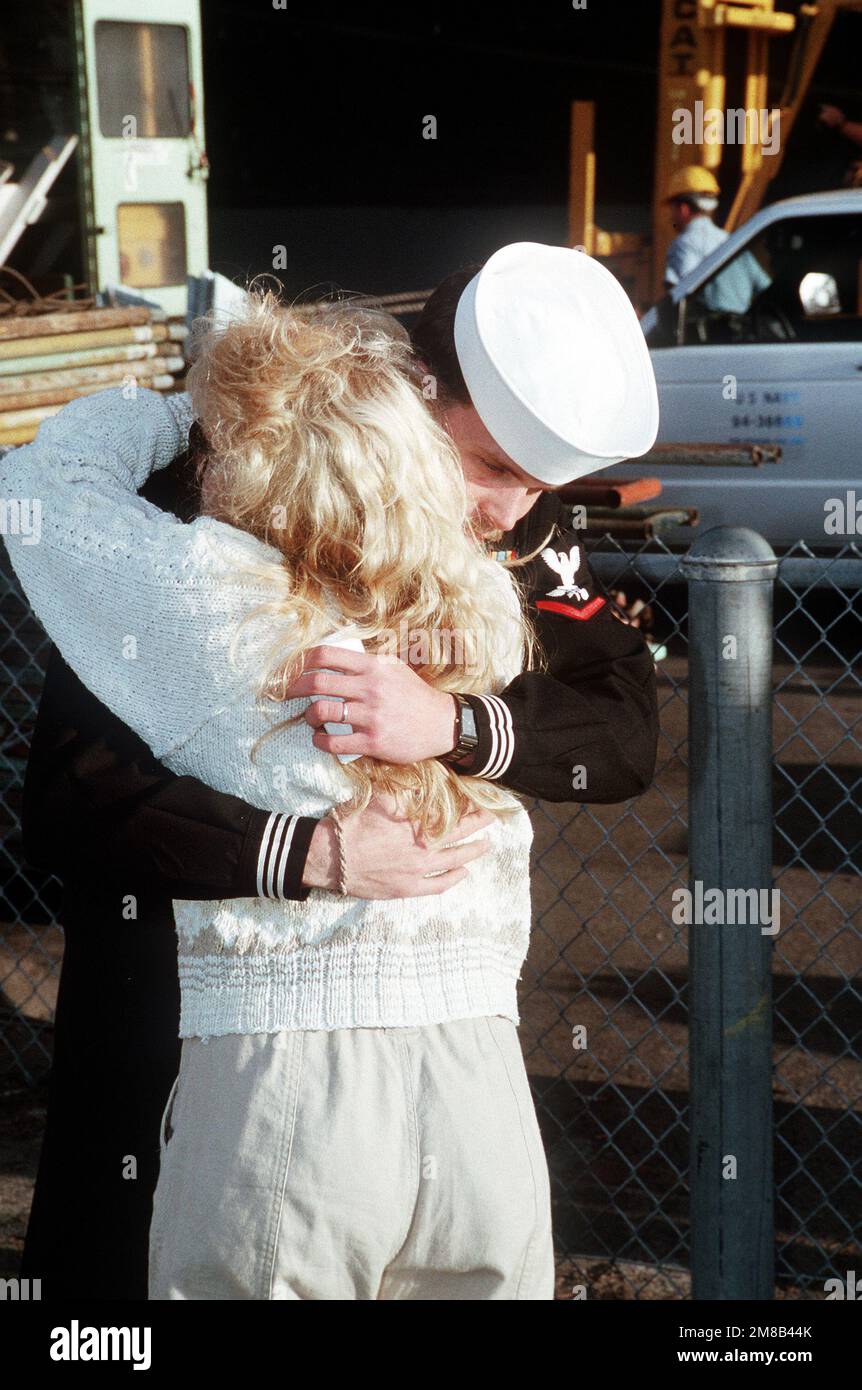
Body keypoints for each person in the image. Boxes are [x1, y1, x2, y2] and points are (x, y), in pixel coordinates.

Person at [9, 243, 660, 1300]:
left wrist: (450, 721)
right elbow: (74, 799)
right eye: (494, 467)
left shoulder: (508, 530)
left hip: (431, 1047)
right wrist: (305, 852)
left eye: (546, 484)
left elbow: (620, 729)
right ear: (415, 394)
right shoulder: (198, 496)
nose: (513, 511)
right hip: (172, 1012)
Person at [664, 165, 771, 314]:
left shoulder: (683, 244)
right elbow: (764, 285)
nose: (671, 217)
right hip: (742, 332)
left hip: (707, 333)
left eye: (672, 210)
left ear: (683, 209)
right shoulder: (733, 241)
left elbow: (682, 293)